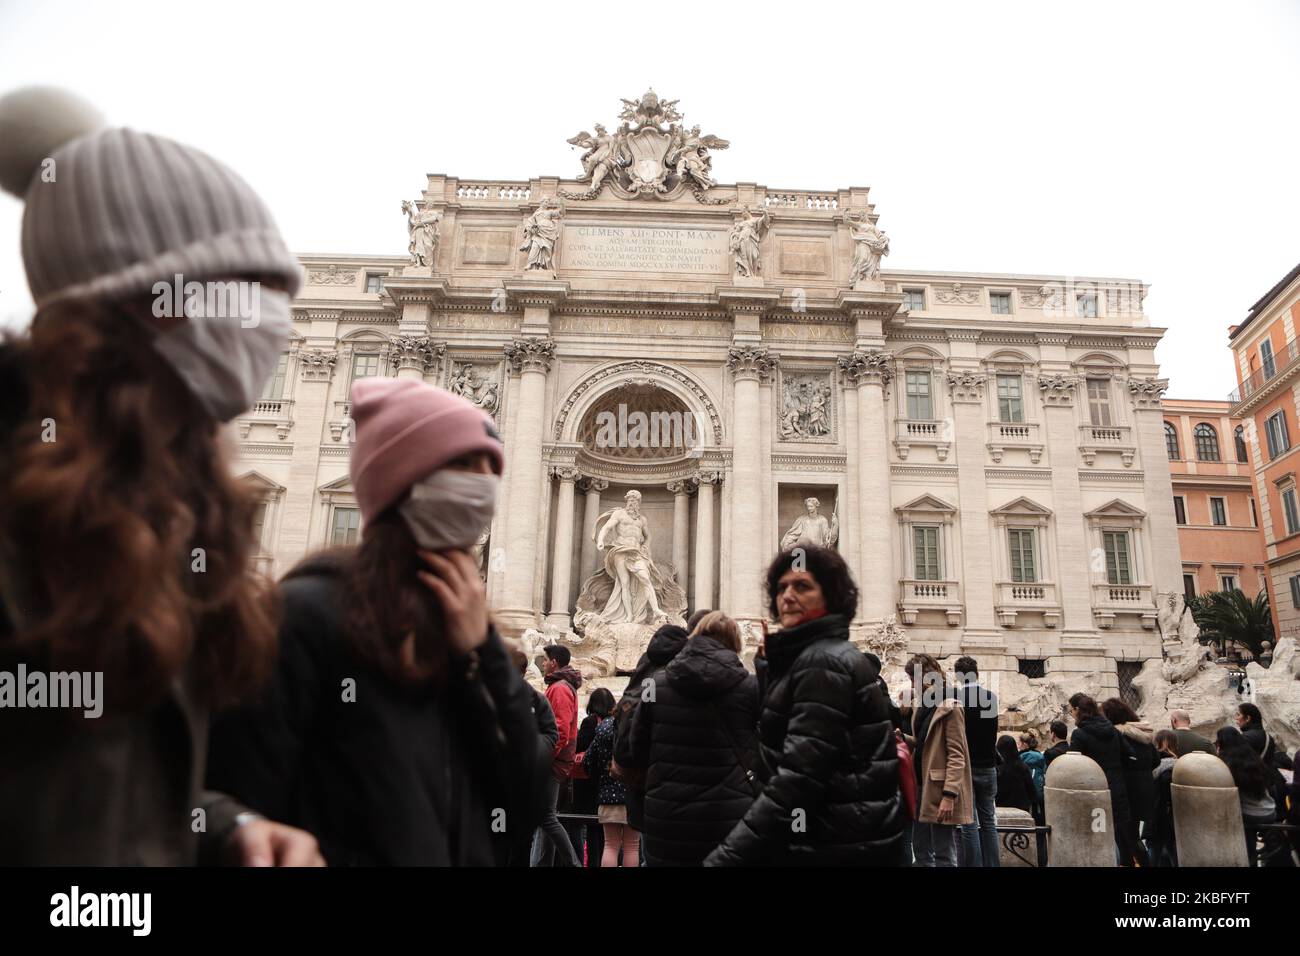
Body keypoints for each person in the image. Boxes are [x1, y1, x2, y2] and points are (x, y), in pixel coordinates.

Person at [0, 86, 320, 866]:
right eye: (254, 289)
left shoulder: (167, 504)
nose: (278, 323)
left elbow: (101, 782)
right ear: (147, 299)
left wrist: (221, 828)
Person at [207, 378, 551, 865]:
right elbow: (241, 804)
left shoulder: (462, 631)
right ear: (403, 479)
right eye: (464, 467)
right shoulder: (300, 617)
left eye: (488, 472)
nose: (481, 490)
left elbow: (524, 799)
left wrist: (486, 652)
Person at [706, 546, 905, 865]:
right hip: (842, 837)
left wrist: (727, 857)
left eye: (802, 586)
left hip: (828, 843)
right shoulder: (823, 655)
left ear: (832, 596)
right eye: (781, 587)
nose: (787, 595)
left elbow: (799, 777)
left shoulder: (822, 662)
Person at [617, 612, 760, 866]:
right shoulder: (750, 687)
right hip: (729, 817)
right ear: (737, 643)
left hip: (667, 818)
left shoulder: (656, 685)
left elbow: (634, 751)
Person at [907, 653, 974, 868]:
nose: (911, 684)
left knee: (944, 854)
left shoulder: (951, 707)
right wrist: (901, 738)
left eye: (913, 679)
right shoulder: (921, 706)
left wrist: (949, 795)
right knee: (921, 849)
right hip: (921, 786)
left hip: (940, 790)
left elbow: (957, 754)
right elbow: (923, 743)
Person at [503, 636, 557, 866]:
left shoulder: (536, 699)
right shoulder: (484, 693)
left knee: (517, 846)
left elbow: (550, 735)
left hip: (518, 787)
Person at [1068, 693, 1137, 867]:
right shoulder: (1113, 731)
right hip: (1116, 786)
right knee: (1121, 832)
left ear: (1077, 710)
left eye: (1071, 711)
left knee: (1095, 832)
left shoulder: (1079, 734)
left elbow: (1074, 765)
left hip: (1092, 788)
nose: (1071, 714)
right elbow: (1130, 755)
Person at [532, 644, 583, 867]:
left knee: (546, 817)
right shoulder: (561, 686)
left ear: (554, 662)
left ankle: (573, 863)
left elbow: (560, 729)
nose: (542, 664)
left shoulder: (560, 688)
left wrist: (543, 755)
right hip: (556, 759)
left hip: (552, 761)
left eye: (545, 660)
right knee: (545, 817)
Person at [1215, 727, 1293, 867]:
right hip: (1270, 811)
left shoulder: (1226, 764)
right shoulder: (1253, 758)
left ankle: (1246, 859)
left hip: (1250, 815)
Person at [583, 691, 639, 867]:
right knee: (632, 846)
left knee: (610, 845)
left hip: (607, 795)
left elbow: (588, 760)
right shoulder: (637, 729)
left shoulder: (604, 727)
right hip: (633, 796)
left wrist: (599, 778)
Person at [953, 656, 998, 867]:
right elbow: (992, 733)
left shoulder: (957, 699)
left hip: (967, 767)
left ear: (958, 676)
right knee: (989, 822)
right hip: (988, 765)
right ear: (977, 673)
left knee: (969, 823)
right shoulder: (991, 697)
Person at [1102, 698, 1155, 867]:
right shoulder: (1143, 734)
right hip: (1144, 789)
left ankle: (1140, 864)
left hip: (1125, 789)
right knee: (1130, 834)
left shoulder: (1117, 735)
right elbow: (1156, 760)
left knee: (1127, 835)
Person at [574, 688, 614, 867]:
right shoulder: (615, 724)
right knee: (607, 835)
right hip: (610, 784)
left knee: (591, 830)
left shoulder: (589, 723)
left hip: (589, 785)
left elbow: (580, 748)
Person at [1147, 730, 1179, 867]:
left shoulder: (1152, 765)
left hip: (1156, 816)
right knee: (1173, 851)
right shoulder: (1179, 765)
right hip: (1173, 817)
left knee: (1154, 850)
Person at [995, 735, 1035, 814]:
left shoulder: (997, 768)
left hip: (1000, 809)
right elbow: (1032, 791)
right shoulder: (1023, 767)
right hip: (1022, 809)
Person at [1018, 732, 1047, 823]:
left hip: (1024, 797)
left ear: (1025, 744)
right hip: (1039, 795)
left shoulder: (1020, 758)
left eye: (1019, 743)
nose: (1018, 746)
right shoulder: (1041, 757)